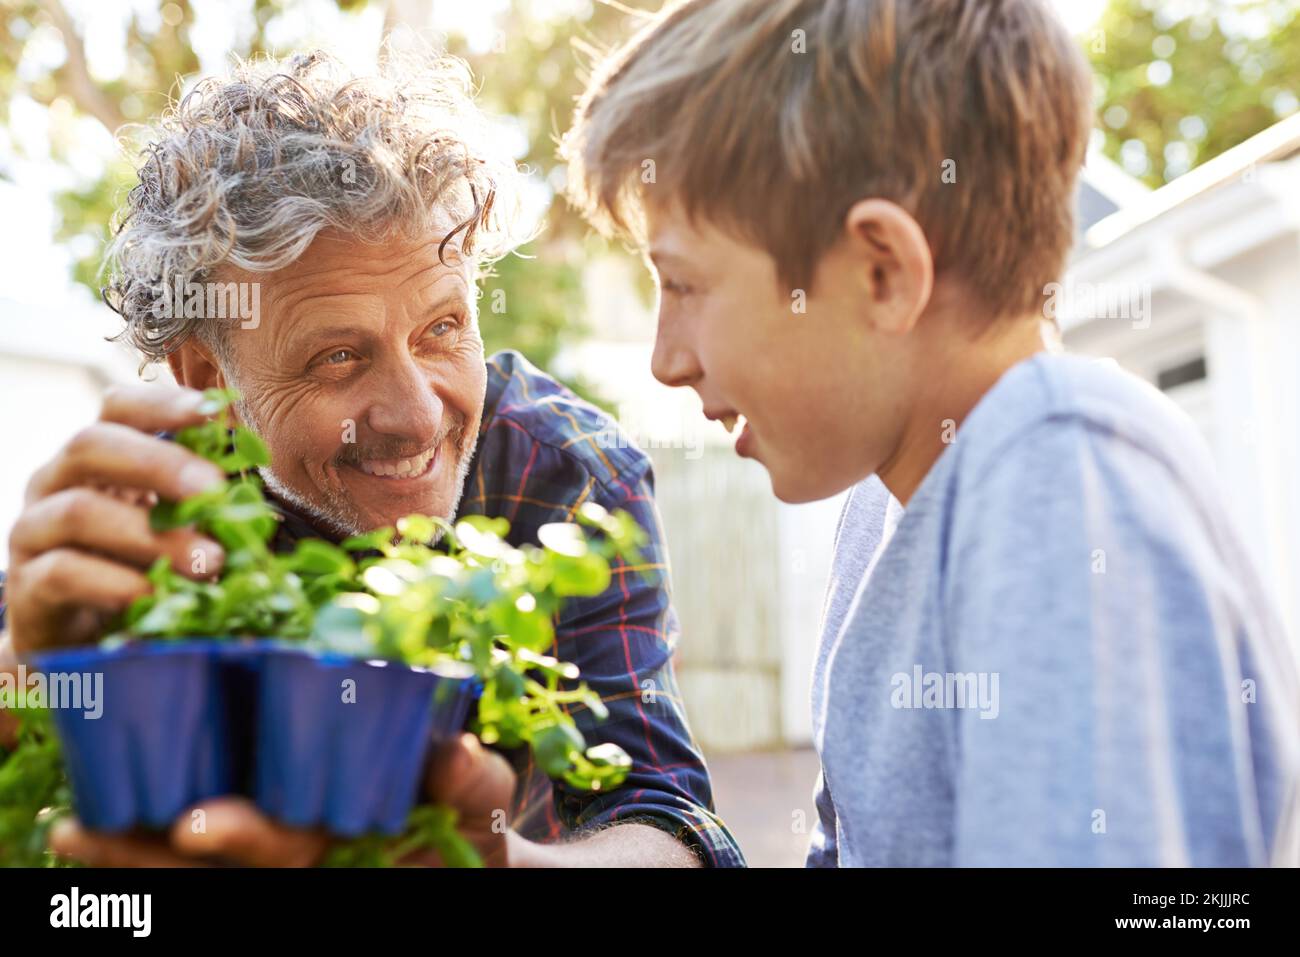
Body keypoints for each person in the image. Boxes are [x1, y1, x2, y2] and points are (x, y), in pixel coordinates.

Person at [562, 0, 1300, 865]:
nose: (665, 360)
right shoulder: (884, 513)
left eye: (683, 284)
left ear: (883, 272)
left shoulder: (1058, 480)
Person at [0, 50, 743, 868]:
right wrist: (28, 682)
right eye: (338, 358)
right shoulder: (142, 510)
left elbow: (672, 825)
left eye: (442, 330)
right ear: (208, 378)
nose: (419, 416)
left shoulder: (568, 476)